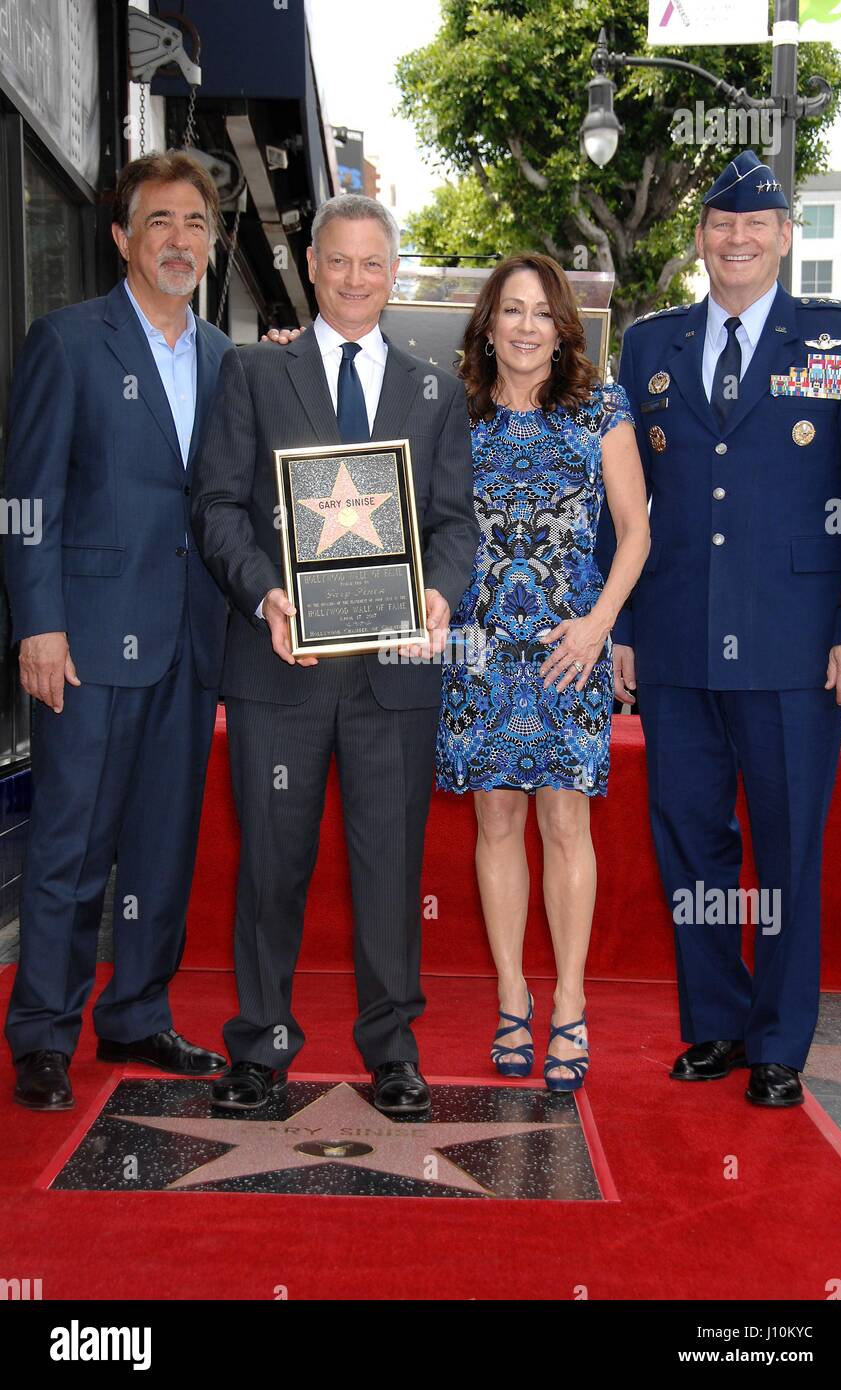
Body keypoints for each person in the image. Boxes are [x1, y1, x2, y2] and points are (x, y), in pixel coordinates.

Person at [191, 193, 478, 1116]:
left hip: (394, 678)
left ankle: (392, 1047)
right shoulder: (250, 375)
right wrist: (264, 594)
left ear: (394, 274)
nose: (355, 279)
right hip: (281, 665)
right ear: (311, 267)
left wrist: (436, 593)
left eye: (373, 263)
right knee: (271, 862)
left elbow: (453, 524)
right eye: (338, 261)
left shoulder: (434, 391)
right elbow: (218, 508)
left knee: (391, 868)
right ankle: (261, 1047)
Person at [606, 151, 841, 1106]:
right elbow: (620, 499)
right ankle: (713, 1024)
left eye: (756, 224)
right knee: (691, 838)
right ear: (700, 237)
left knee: (789, 845)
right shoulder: (649, 346)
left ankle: (779, 1041)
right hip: (675, 639)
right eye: (720, 224)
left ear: (786, 236)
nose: (737, 238)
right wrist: (621, 621)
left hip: (795, 643)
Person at [4, 152, 234, 1110]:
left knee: (161, 842)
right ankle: (44, 1035)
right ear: (121, 238)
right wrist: (39, 626)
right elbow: (25, 497)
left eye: (194, 224)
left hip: (192, 640)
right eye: (159, 223)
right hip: (90, 641)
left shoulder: (228, 357)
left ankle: (136, 1014)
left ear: (213, 243)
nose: (178, 240)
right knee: (70, 842)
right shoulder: (68, 340)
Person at [435, 254, 650, 1090]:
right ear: (487, 325)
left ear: (562, 329)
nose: (525, 327)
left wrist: (600, 627)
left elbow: (633, 531)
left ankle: (568, 1004)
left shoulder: (600, 408)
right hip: (479, 648)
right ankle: (509, 997)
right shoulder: (453, 413)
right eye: (510, 311)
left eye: (541, 313)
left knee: (565, 827)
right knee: (494, 826)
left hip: (569, 647)